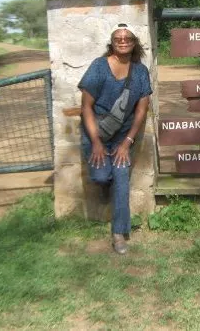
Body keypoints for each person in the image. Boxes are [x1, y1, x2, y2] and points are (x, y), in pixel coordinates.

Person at [78, 23, 152, 255]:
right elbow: (86, 107)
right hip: (95, 131)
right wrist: (97, 142)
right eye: (118, 38)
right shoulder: (99, 67)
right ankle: (103, 181)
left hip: (123, 134)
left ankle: (119, 234)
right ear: (112, 42)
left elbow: (141, 110)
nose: (122, 41)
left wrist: (127, 142)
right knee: (101, 175)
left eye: (127, 38)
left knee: (121, 179)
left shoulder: (140, 72)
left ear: (134, 43)